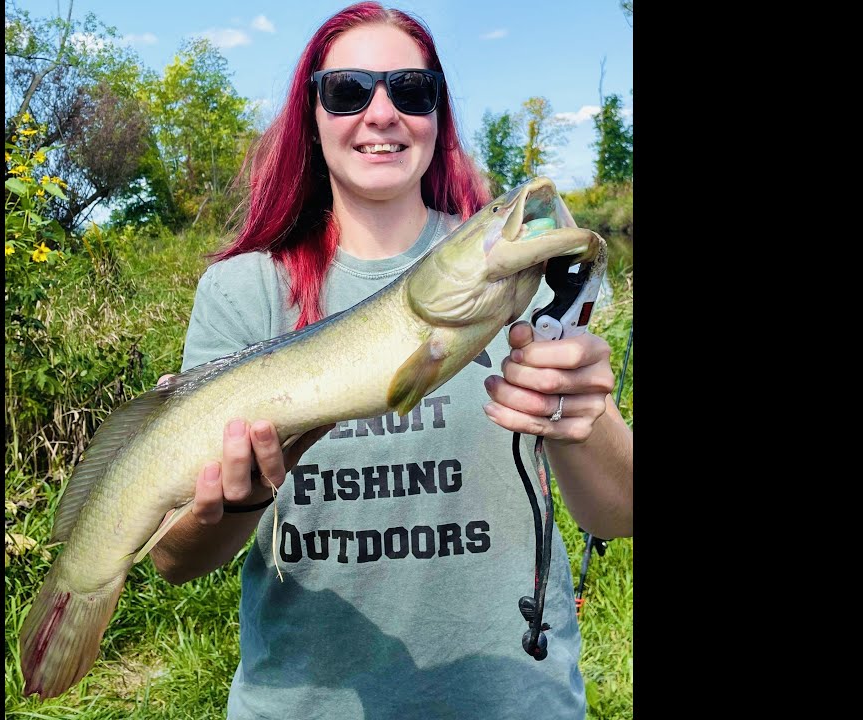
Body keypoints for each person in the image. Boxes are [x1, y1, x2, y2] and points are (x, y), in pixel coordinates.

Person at [149, 3, 633, 717]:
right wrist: (241, 498)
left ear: (436, 115)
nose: (382, 112)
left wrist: (582, 416)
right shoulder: (241, 290)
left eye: (411, 89)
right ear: (311, 114)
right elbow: (174, 559)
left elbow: (617, 512)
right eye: (348, 90)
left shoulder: (523, 277)